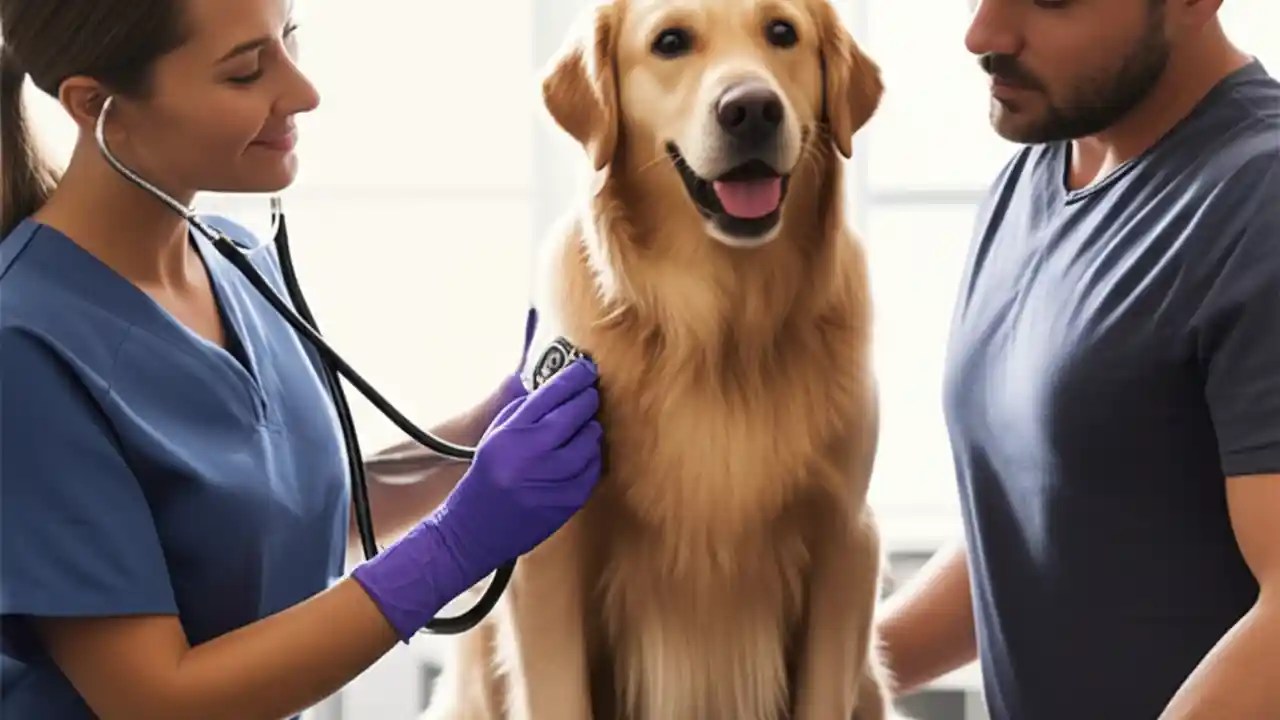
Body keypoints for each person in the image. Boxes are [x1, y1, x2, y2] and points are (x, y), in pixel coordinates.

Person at [0, 0, 605, 717]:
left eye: (289, 40)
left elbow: (274, 516)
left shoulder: (236, 259)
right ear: (95, 104)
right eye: (248, 71)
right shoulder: (25, 345)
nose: (304, 92)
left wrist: (479, 434)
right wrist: (456, 545)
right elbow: (158, 700)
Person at [876, 1, 1280, 719]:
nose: (983, 36)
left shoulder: (1262, 199)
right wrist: (809, 684)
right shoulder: (1030, 178)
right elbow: (1049, 529)